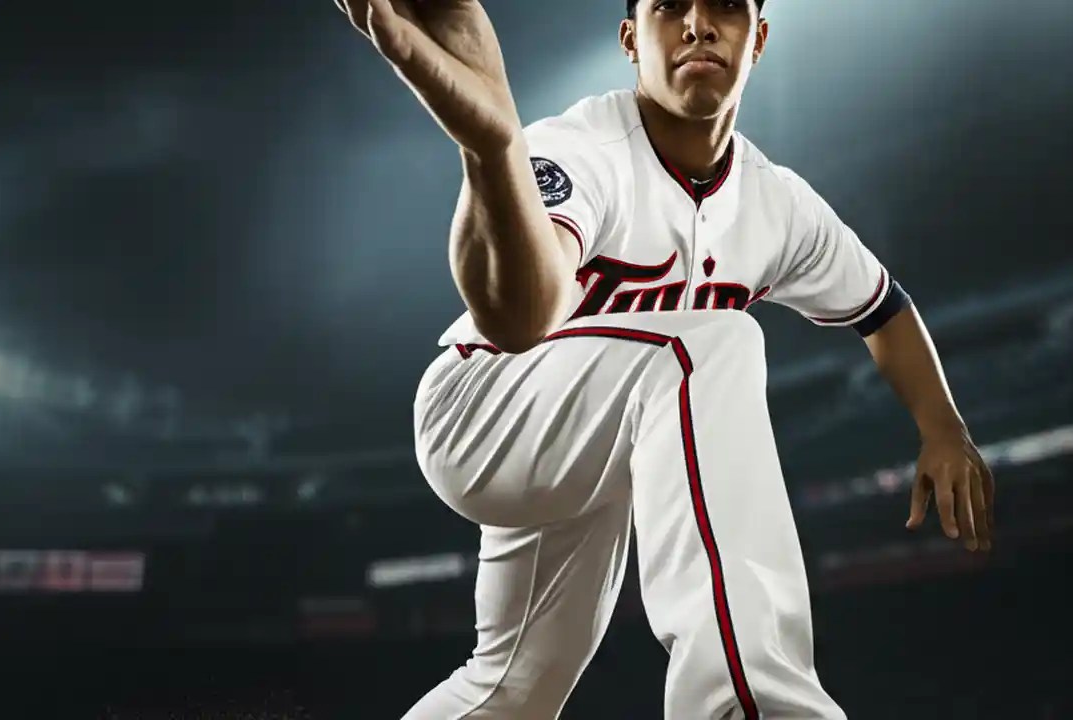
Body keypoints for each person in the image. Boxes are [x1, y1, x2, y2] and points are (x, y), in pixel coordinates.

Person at [333, 0, 995, 717]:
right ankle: (749, 704)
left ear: (759, 38)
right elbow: (520, 318)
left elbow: (882, 309)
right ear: (630, 38)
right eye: (670, 6)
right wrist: (494, 152)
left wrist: (943, 427)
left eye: (725, 9)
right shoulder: (585, 149)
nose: (698, 24)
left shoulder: (776, 202)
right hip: (487, 404)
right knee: (710, 342)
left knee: (511, 688)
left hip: (589, 437)